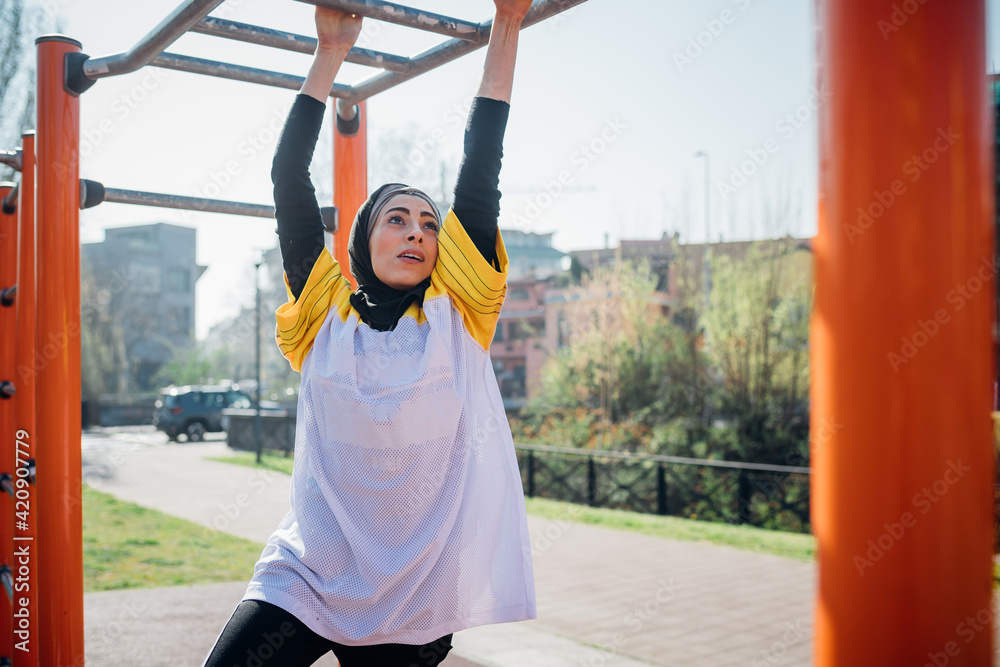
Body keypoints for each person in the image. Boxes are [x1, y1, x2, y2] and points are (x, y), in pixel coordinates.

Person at [202, 2, 537, 665]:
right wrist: (329, 54)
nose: (416, 229)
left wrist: (507, 20)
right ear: (363, 238)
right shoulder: (326, 312)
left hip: (414, 590)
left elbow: (482, 163)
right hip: (310, 572)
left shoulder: (459, 311)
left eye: (427, 222)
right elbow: (287, 180)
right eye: (396, 218)